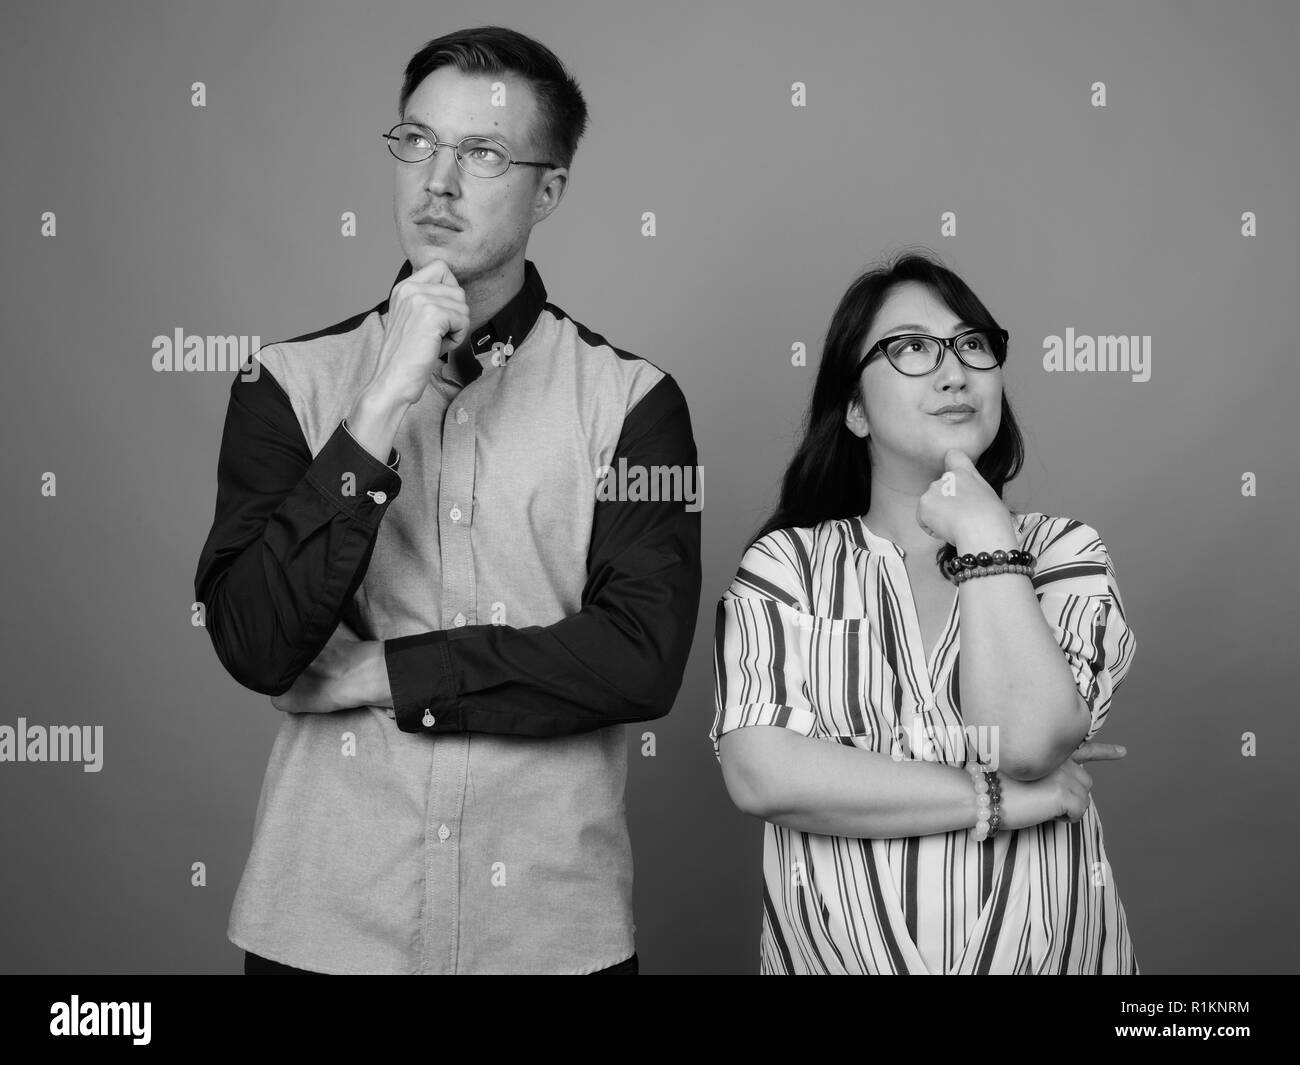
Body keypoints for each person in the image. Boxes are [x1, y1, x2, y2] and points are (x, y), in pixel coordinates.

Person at [195, 25, 701, 975]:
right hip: (322, 925)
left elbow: (641, 658)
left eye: (483, 154)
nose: (438, 181)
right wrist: (379, 405)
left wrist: (391, 673)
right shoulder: (284, 383)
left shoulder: (634, 402)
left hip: (550, 936)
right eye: (418, 142)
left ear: (548, 188)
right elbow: (257, 640)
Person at [710, 251, 1138, 974]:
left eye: (973, 344)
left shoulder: (1064, 551)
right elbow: (765, 774)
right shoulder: (788, 566)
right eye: (911, 348)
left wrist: (985, 535)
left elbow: (1029, 741)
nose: (954, 370)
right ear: (852, 408)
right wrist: (996, 798)